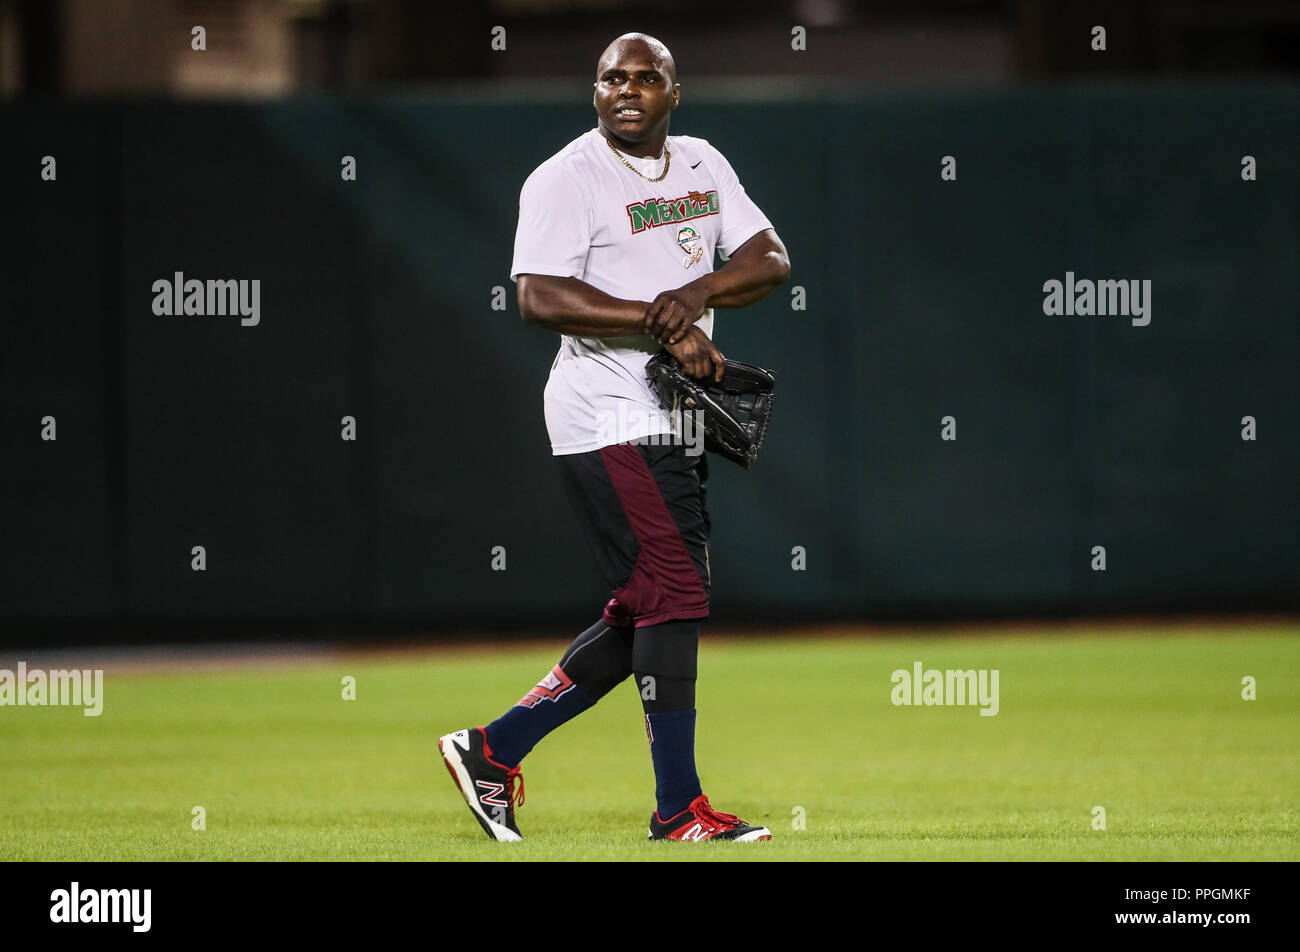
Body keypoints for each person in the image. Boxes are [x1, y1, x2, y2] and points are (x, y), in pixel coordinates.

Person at [439, 32, 790, 842]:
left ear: (674, 91)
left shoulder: (702, 162)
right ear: (594, 91)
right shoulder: (568, 175)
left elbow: (770, 257)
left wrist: (698, 289)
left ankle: (492, 749)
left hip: (671, 416)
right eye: (609, 78)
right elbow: (539, 297)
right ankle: (678, 810)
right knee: (672, 596)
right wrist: (661, 325)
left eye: (644, 77)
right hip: (608, 413)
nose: (625, 90)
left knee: (648, 610)